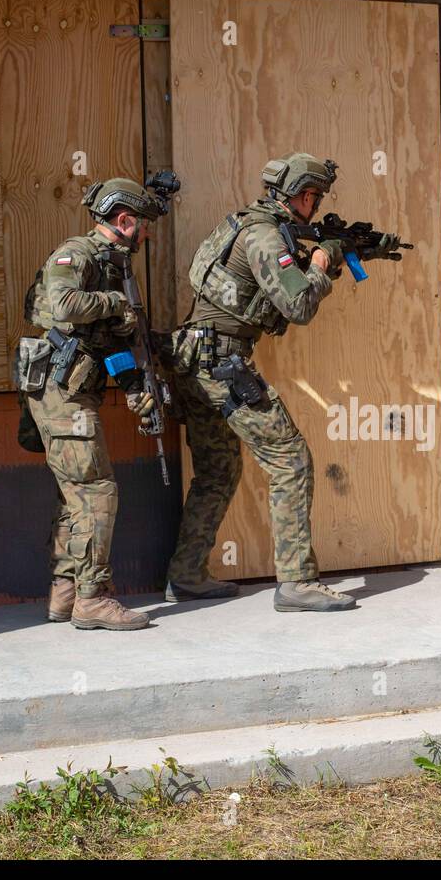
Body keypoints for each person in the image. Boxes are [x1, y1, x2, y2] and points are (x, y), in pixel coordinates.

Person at [166, 153, 355, 613]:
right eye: (316, 197)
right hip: (222, 365)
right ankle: (296, 583)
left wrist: (315, 257)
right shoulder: (267, 237)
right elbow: (299, 307)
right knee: (290, 461)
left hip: (193, 360)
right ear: (306, 195)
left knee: (218, 470)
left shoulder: (244, 224)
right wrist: (323, 261)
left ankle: (186, 574)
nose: (316, 204)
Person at [25, 178, 166, 631]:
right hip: (60, 392)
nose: (146, 235)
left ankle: (65, 593)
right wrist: (114, 303)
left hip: (74, 390)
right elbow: (65, 306)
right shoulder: (79, 254)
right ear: (123, 222)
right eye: (142, 226)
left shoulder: (114, 264)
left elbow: (107, 340)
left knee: (76, 495)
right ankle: (94, 597)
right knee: (96, 491)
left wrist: (133, 387)